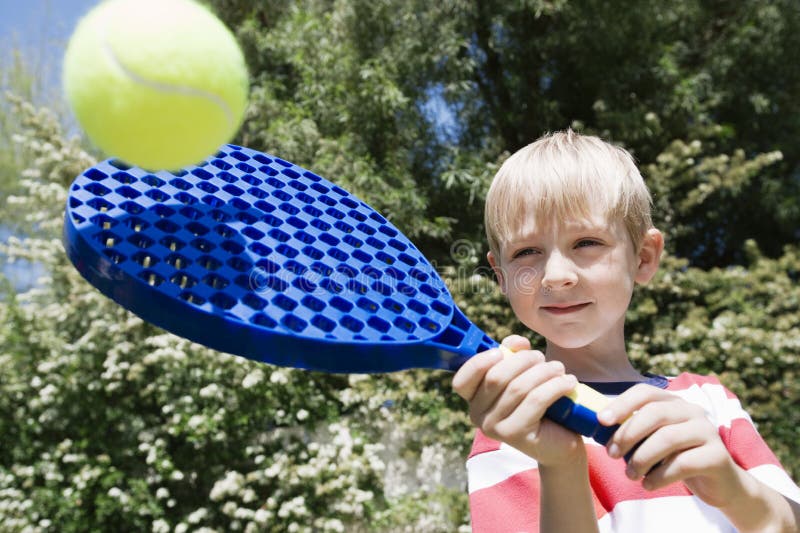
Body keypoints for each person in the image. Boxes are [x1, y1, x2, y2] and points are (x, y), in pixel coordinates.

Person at [452, 130, 800, 532]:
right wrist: (561, 466)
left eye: (586, 242)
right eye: (526, 252)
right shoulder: (512, 425)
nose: (557, 275)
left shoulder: (709, 401)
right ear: (502, 275)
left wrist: (731, 486)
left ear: (644, 257)